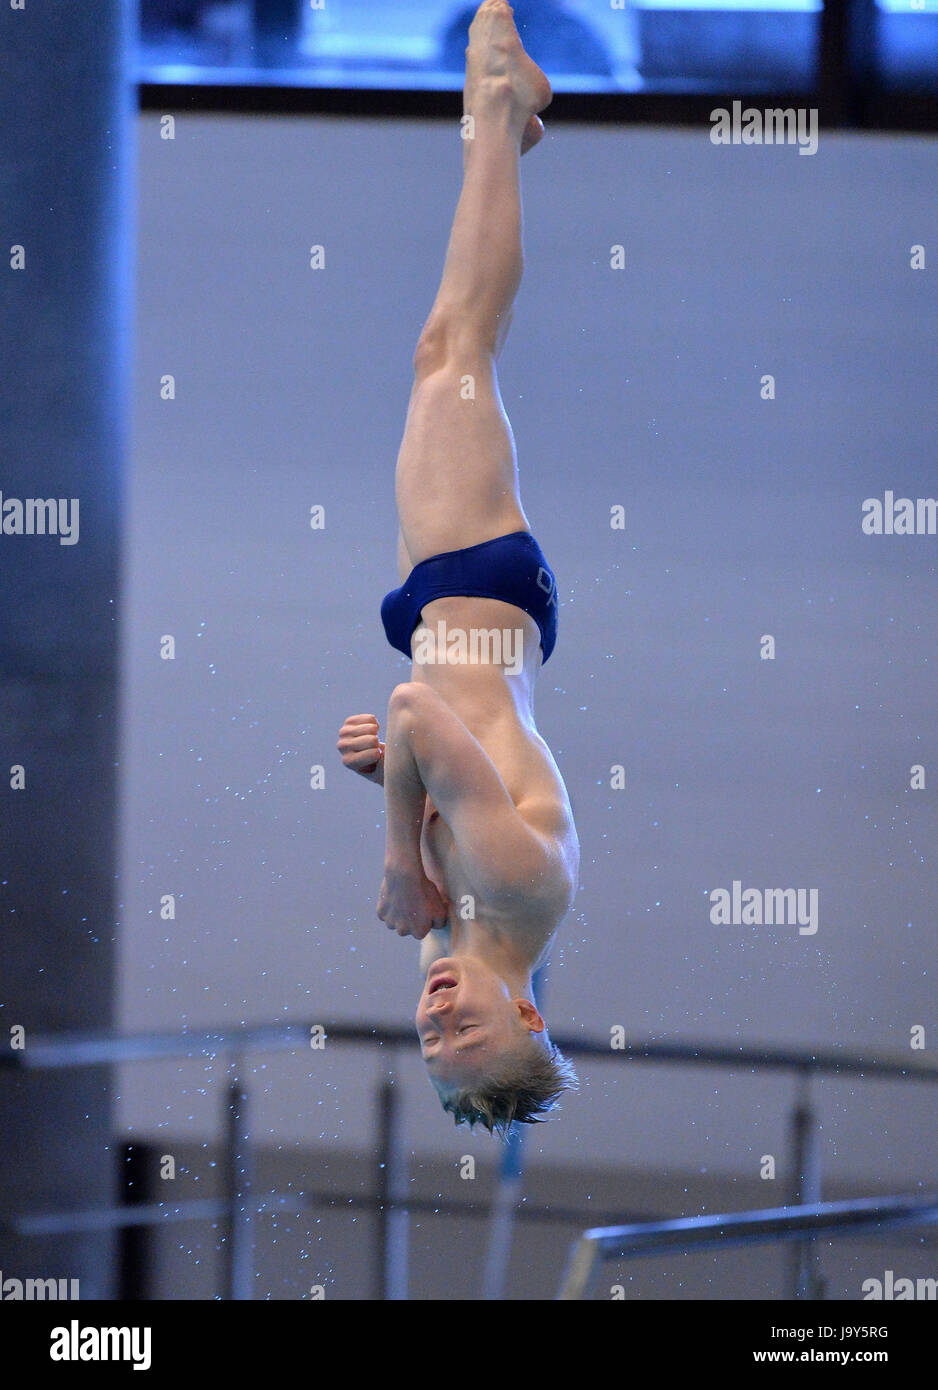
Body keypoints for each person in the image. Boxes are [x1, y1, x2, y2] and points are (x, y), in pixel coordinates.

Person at [337, 1, 579, 1136]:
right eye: (464, 1031)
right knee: (456, 345)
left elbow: (427, 745)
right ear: (528, 1016)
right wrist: (397, 857)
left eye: (429, 1043)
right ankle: (501, 102)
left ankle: (500, 128)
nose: (435, 1019)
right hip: (477, 592)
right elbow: (421, 714)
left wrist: (382, 775)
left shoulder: (463, 934)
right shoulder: (519, 896)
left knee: (446, 344)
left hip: (442, 613)